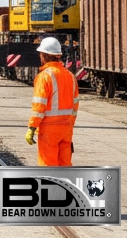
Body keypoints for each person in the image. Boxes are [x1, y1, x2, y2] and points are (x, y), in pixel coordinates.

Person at [25, 37, 79, 166]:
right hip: (66, 128)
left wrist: (32, 127)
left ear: (44, 56)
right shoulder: (70, 76)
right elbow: (75, 105)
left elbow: (39, 105)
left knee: (48, 164)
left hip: (49, 129)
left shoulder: (44, 76)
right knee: (64, 164)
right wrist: (70, 125)